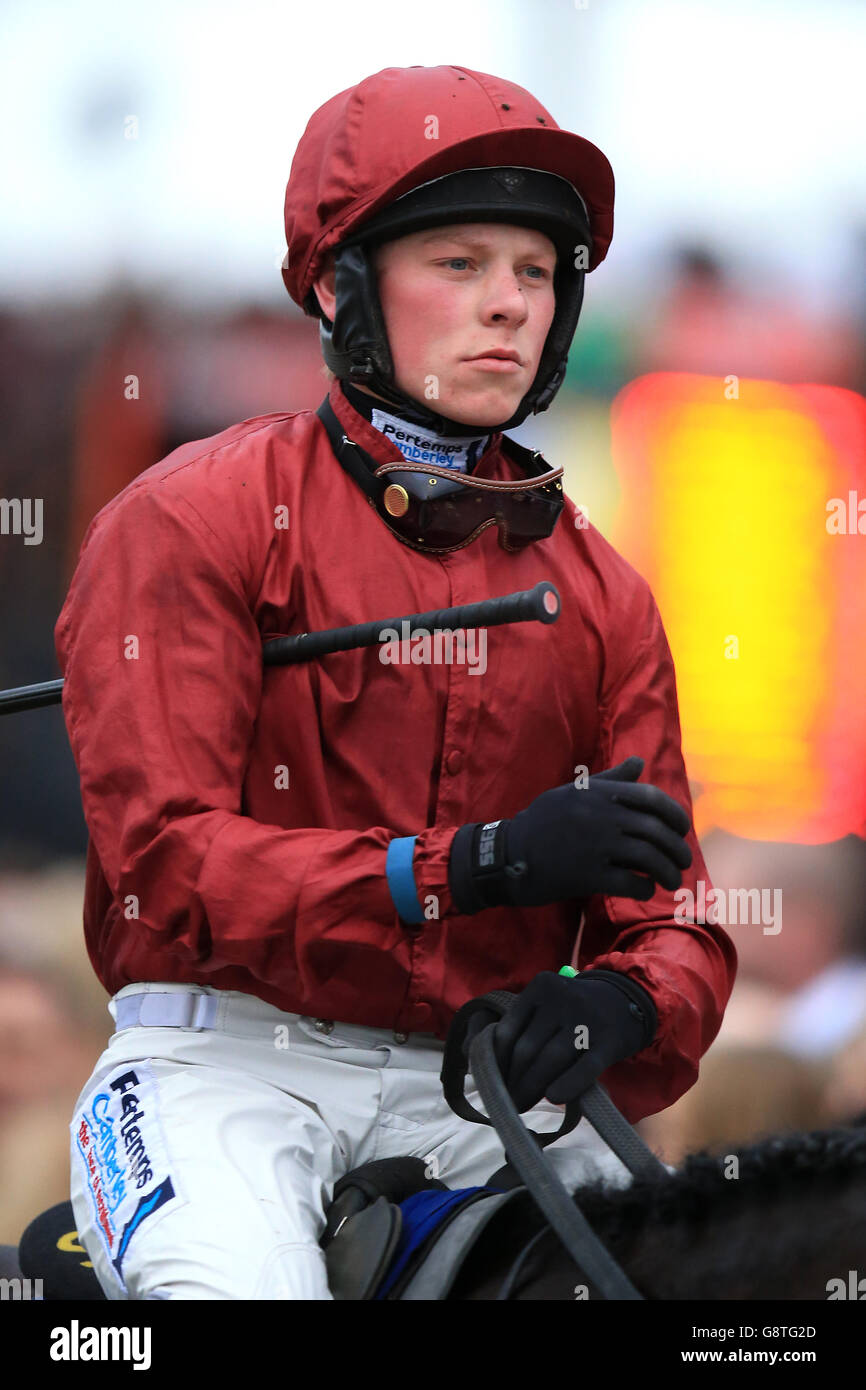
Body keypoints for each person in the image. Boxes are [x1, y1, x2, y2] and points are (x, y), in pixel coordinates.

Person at [55, 64, 736, 1301]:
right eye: (459, 264)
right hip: (224, 1078)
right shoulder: (188, 518)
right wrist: (468, 866)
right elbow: (163, 861)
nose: (507, 307)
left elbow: (674, 922)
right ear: (337, 286)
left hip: (487, 1100)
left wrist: (622, 1011)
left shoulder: (605, 592)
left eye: (533, 273)